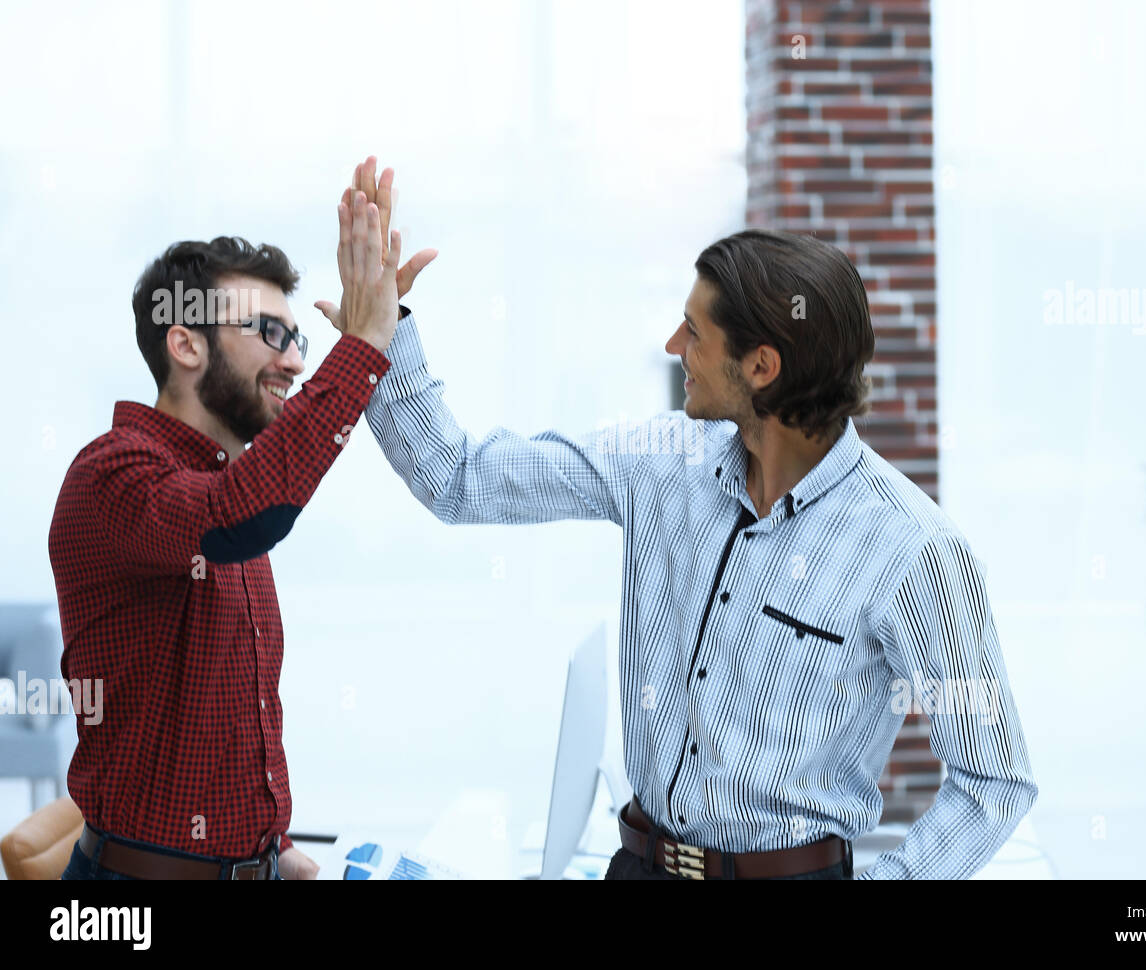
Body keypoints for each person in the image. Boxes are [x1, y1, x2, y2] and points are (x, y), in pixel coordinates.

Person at [341, 160, 1038, 880]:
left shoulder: (913, 548)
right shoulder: (657, 462)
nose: (674, 350)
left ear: (761, 366)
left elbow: (994, 782)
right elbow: (459, 479)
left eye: (693, 333)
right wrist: (379, 337)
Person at [49, 163, 434, 879]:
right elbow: (239, 518)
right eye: (269, 333)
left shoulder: (230, 487)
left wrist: (271, 850)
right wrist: (365, 344)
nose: (292, 360)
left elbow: (217, 717)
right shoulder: (112, 476)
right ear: (186, 343)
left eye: (300, 339)